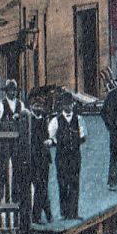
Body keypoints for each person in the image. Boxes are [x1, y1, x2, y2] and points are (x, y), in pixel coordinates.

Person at [0, 80, 36, 225]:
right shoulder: (0, 105)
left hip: (17, 142)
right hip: (4, 142)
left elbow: (26, 120)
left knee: (17, 169)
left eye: (14, 90)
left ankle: (15, 197)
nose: (12, 92)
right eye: (10, 90)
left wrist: (18, 118)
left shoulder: (20, 105)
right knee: (2, 169)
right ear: (6, 91)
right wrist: (7, 123)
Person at [47, 91, 86, 220]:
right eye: (65, 104)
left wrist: (73, 141)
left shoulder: (79, 119)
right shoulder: (55, 121)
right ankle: (64, 213)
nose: (68, 106)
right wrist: (57, 141)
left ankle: (73, 212)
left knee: (74, 183)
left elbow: (83, 136)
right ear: (62, 105)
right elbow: (51, 137)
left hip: (75, 156)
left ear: (73, 104)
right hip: (61, 157)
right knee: (63, 183)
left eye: (69, 104)